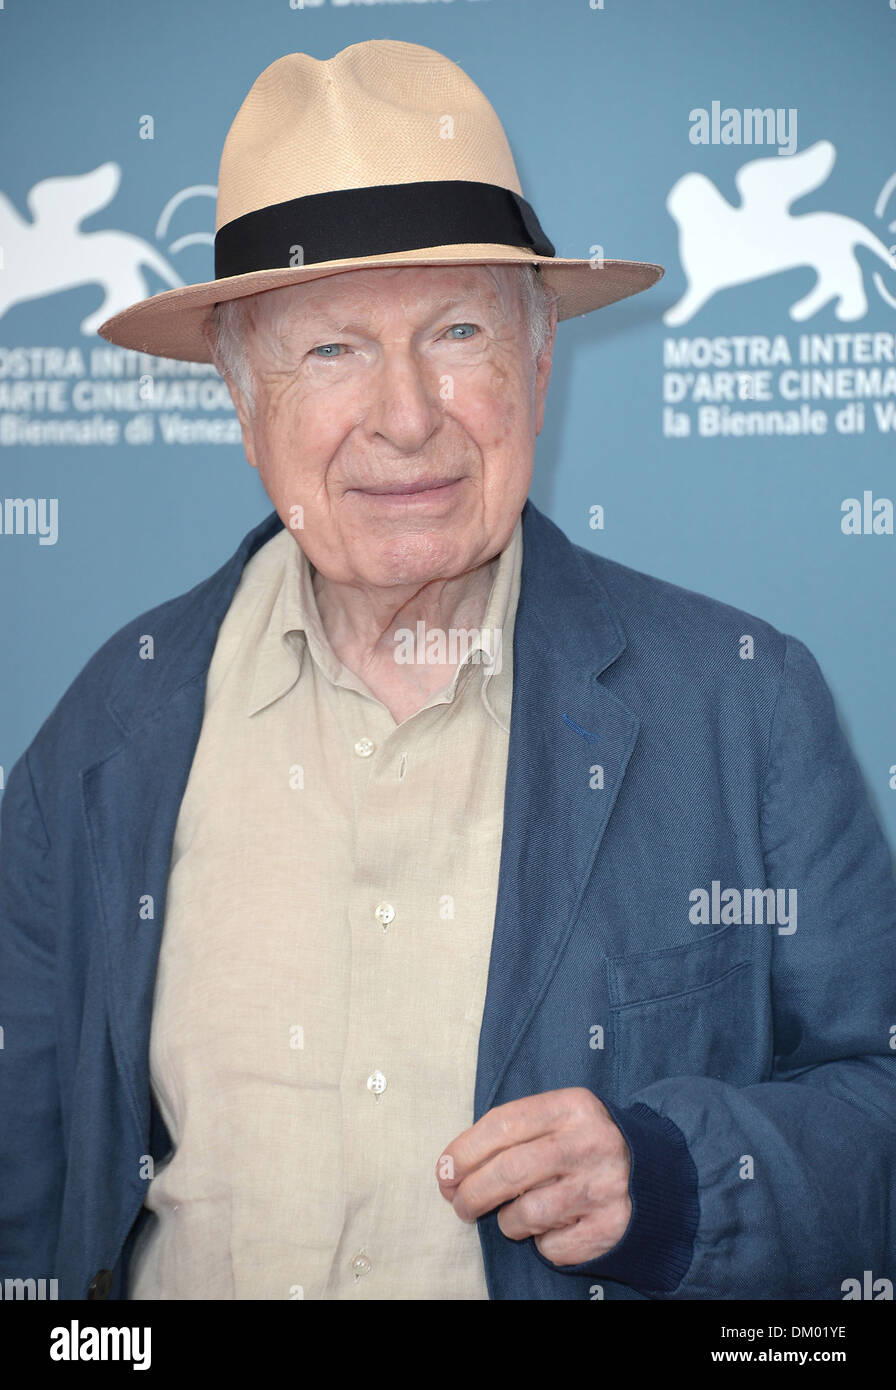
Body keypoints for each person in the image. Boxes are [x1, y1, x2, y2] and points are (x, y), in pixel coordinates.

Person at [1, 39, 893, 1303]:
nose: (407, 415)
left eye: (457, 329)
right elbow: (24, 1191)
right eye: (330, 352)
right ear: (243, 404)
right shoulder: (105, 733)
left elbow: (876, 1106)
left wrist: (680, 1176)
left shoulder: (743, 706)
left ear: (535, 368)